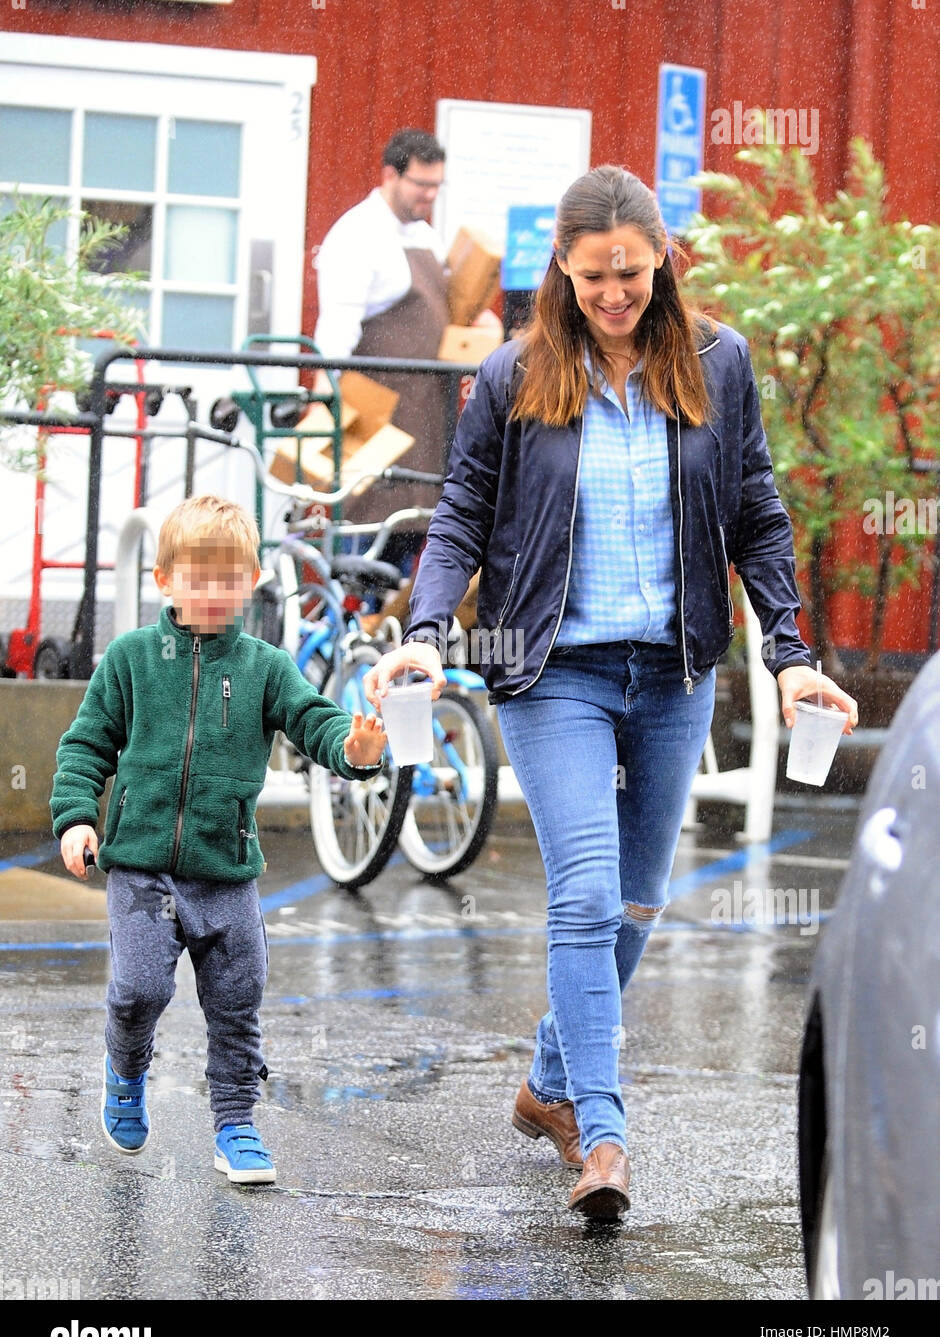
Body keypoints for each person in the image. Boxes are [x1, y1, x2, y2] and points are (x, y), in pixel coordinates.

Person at [362, 165, 858, 1221]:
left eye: (630, 273)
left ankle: (545, 1082)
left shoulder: (718, 362)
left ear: (663, 257)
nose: (614, 294)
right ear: (563, 268)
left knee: (636, 904)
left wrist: (790, 651)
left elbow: (756, 514)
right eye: (594, 278)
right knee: (584, 896)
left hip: (672, 668)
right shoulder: (513, 373)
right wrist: (423, 633)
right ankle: (600, 1132)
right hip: (552, 669)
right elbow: (459, 515)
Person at [50, 495, 387, 1184]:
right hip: (141, 870)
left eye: (227, 578)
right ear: (165, 580)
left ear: (251, 580)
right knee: (140, 988)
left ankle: (235, 1123)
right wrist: (76, 817)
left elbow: (314, 721)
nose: (211, 592)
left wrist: (354, 748)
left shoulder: (263, 665)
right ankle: (126, 1064)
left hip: (226, 869)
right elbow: (86, 747)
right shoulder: (131, 659)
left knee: (238, 999)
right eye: (196, 578)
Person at [313, 127, 499, 580]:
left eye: (437, 186)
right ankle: (349, 635)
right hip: (375, 418)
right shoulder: (357, 235)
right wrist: (324, 399)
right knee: (365, 532)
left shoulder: (426, 238)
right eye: (421, 184)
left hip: (425, 421)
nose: (429, 196)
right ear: (390, 175)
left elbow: (452, 309)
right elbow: (337, 326)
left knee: (414, 534)